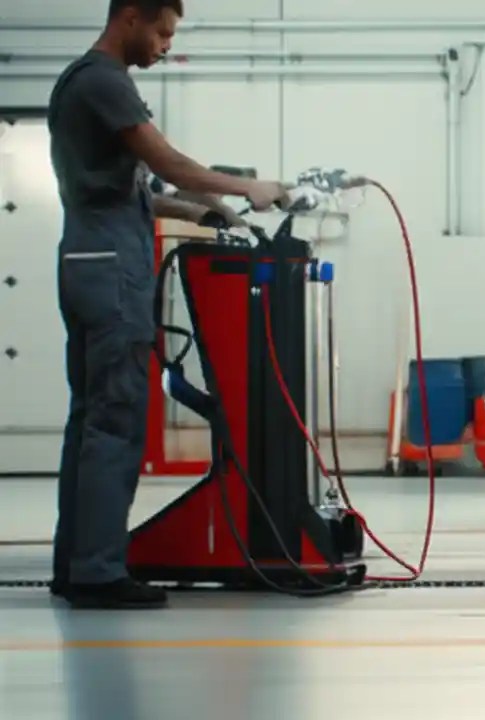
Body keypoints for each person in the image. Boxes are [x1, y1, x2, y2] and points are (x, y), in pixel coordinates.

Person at [47, 0, 290, 609]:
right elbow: (166, 161)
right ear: (129, 15)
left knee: (91, 419)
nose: (164, 45)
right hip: (111, 269)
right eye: (161, 32)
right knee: (117, 418)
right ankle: (100, 574)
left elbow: (139, 192)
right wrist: (248, 188)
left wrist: (203, 211)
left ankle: (75, 565)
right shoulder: (103, 80)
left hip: (87, 259)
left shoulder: (84, 84)